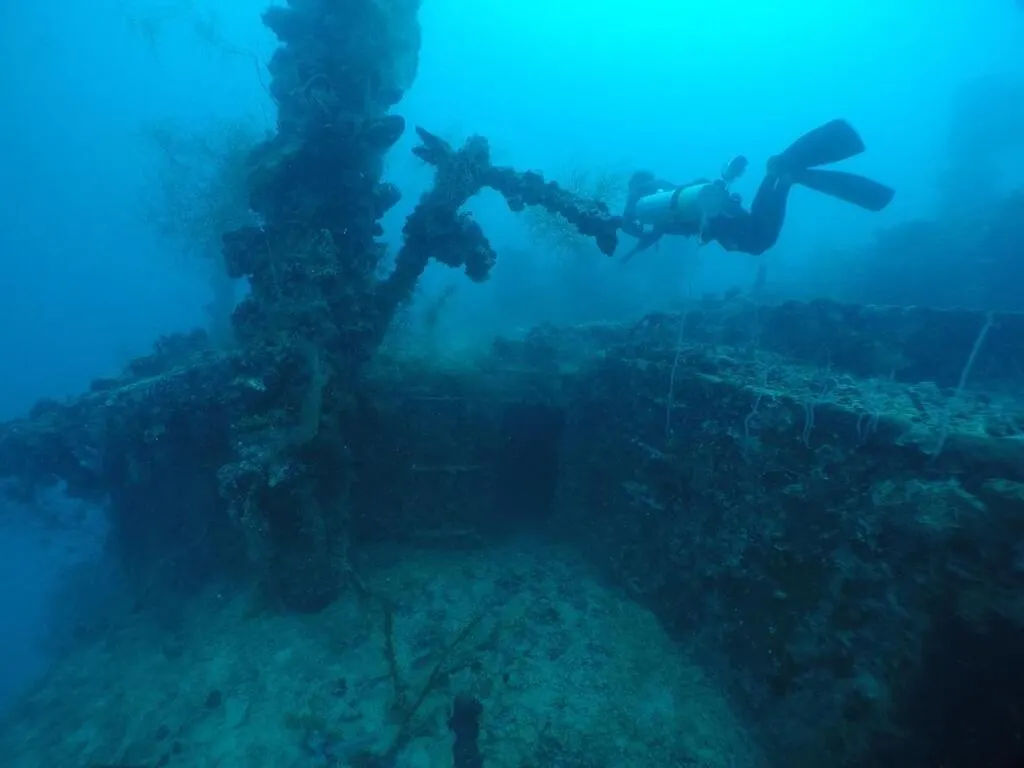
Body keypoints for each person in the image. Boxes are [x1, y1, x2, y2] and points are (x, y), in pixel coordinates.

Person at [619, 119, 895, 260]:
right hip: (740, 224)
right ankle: (783, 176)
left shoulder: (658, 205)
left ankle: (783, 177)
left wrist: (629, 240)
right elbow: (658, 224)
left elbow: (646, 232)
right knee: (771, 192)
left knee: (770, 206)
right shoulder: (668, 197)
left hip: (744, 233)